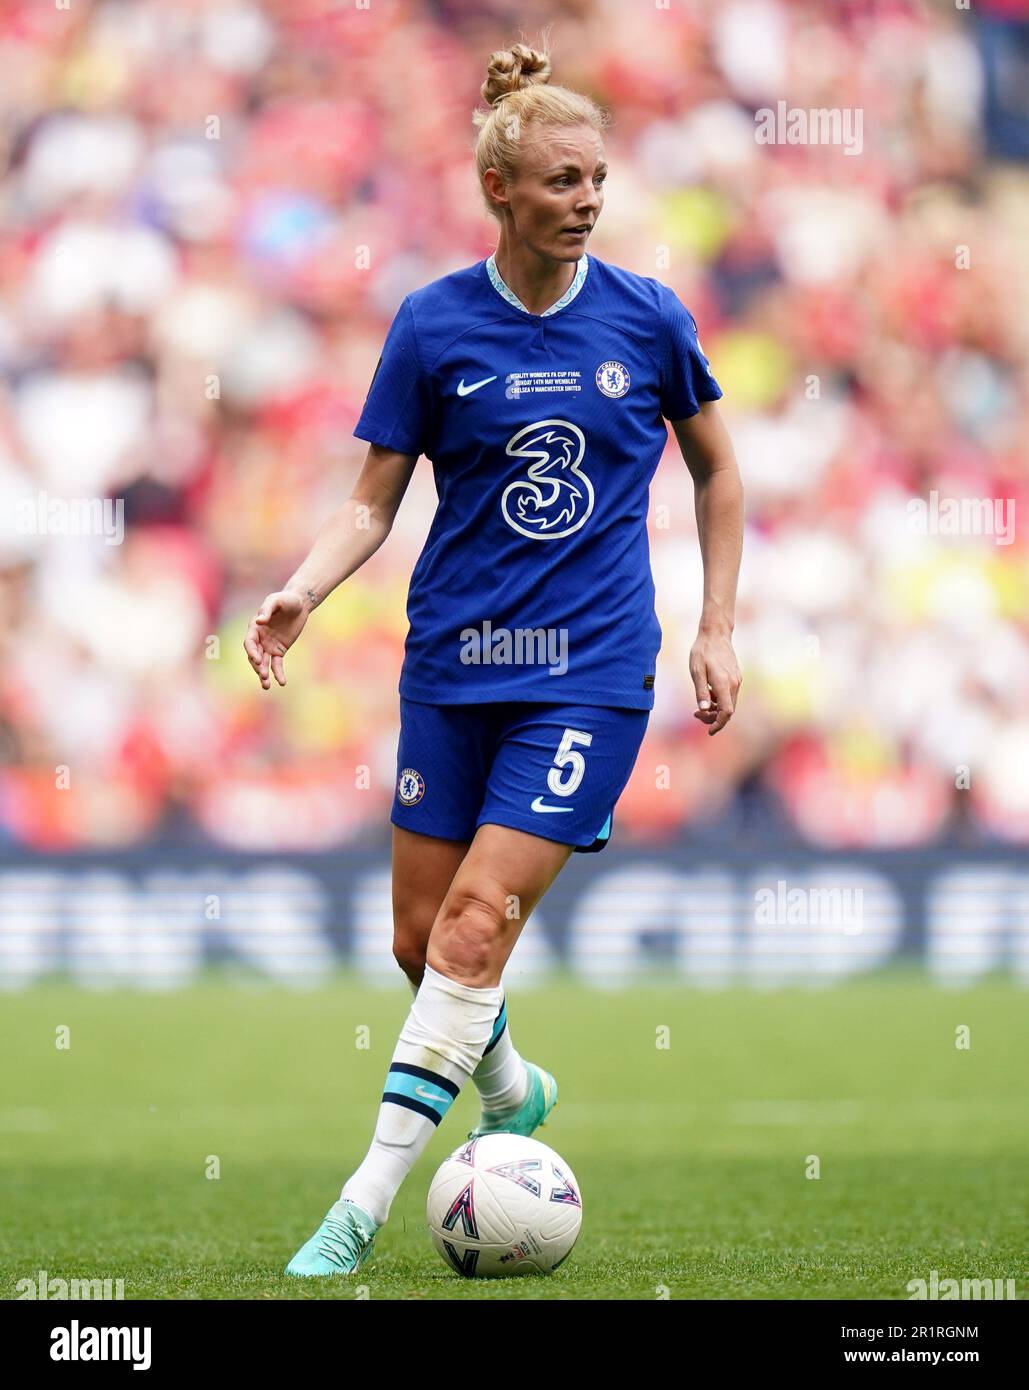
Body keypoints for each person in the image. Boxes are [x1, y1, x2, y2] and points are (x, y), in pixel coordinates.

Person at [243, 39, 743, 1277]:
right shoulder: (431, 324)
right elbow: (372, 499)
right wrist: (303, 588)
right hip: (451, 667)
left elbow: (722, 468)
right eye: (564, 181)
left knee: (473, 932)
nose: (587, 201)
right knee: (421, 948)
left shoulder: (648, 317)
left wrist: (718, 622)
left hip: (587, 673)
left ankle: (355, 1208)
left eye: (598, 180)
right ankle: (512, 1089)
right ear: (501, 192)